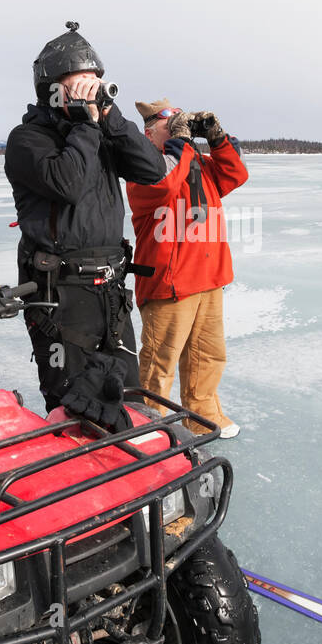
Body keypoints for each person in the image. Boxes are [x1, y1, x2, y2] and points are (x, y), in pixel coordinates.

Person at [4, 22, 166, 419]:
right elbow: (68, 184)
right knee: (76, 406)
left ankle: (137, 475)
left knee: (127, 398)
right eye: (83, 83)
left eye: (98, 82)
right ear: (54, 87)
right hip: (62, 297)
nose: (93, 90)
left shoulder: (99, 133)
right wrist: (85, 124)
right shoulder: (27, 141)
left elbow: (153, 169)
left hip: (110, 293)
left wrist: (109, 117)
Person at [127, 99, 249, 438]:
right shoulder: (144, 168)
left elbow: (236, 173)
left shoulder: (196, 163)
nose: (181, 130)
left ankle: (202, 415)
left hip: (209, 278)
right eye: (172, 126)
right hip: (170, 283)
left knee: (208, 356)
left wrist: (217, 137)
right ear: (151, 134)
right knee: (159, 361)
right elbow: (164, 184)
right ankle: (152, 426)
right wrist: (179, 144)